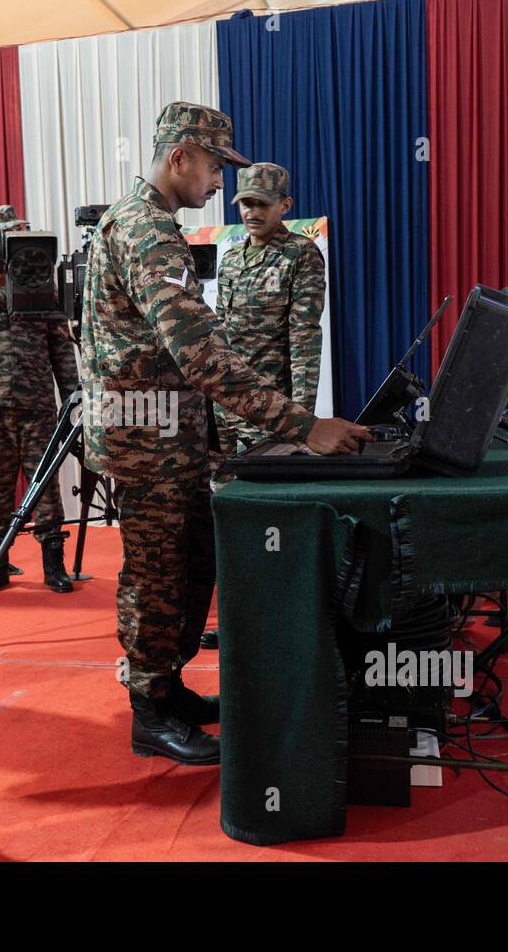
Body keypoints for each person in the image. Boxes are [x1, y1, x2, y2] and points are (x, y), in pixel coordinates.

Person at [81, 100, 370, 765]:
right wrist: (304, 423)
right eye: (214, 166)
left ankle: (169, 687)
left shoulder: (146, 221)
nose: (220, 184)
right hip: (145, 435)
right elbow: (202, 355)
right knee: (157, 571)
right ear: (180, 157)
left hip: (169, 430)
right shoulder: (147, 232)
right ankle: (150, 709)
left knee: (191, 560)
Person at [202, 161, 325, 651]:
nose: (251, 212)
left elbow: (304, 336)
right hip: (228, 407)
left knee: (270, 516)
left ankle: (281, 617)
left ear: (285, 207)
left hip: (271, 411)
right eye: (245, 204)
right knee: (229, 514)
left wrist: (301, 420)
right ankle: (237, 616)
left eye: (261, 204)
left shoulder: (301, 255)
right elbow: (223, 335)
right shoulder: (231, 260)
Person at [0, 207, 80, 594]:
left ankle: (53, 564)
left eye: (20, 233)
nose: (14, 240)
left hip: (36, 399)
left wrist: (72, 396)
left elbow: (59, 345)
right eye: (7, 235)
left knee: (44, 485)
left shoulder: (41, 281)